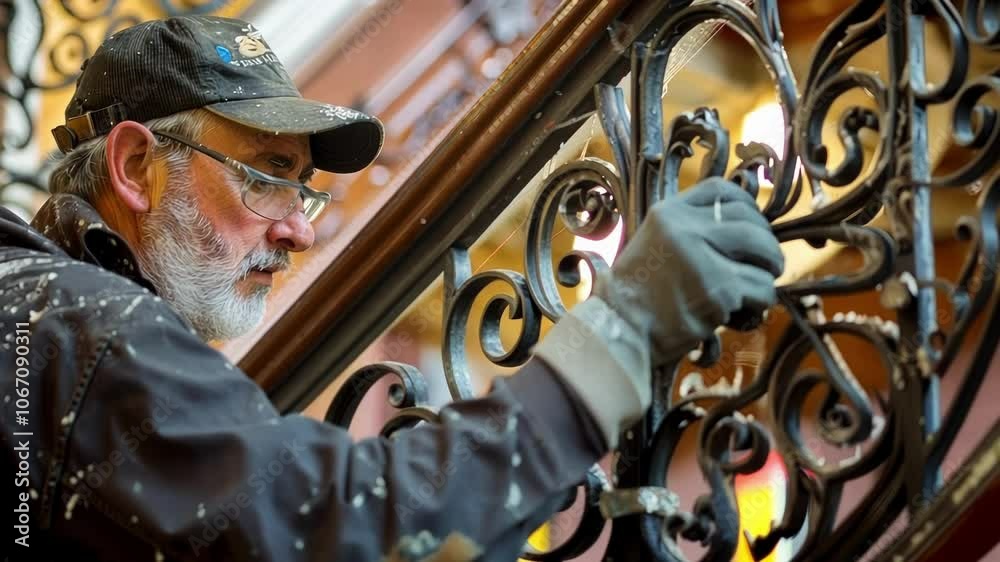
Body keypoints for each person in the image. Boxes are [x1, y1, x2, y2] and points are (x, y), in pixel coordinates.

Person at [0, 14, 783, 562]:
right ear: (136, 167)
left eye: (302, 190)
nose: (299, 230)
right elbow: (345, 531)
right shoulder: (73, 327)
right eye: (267, 176)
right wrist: (624, 334)